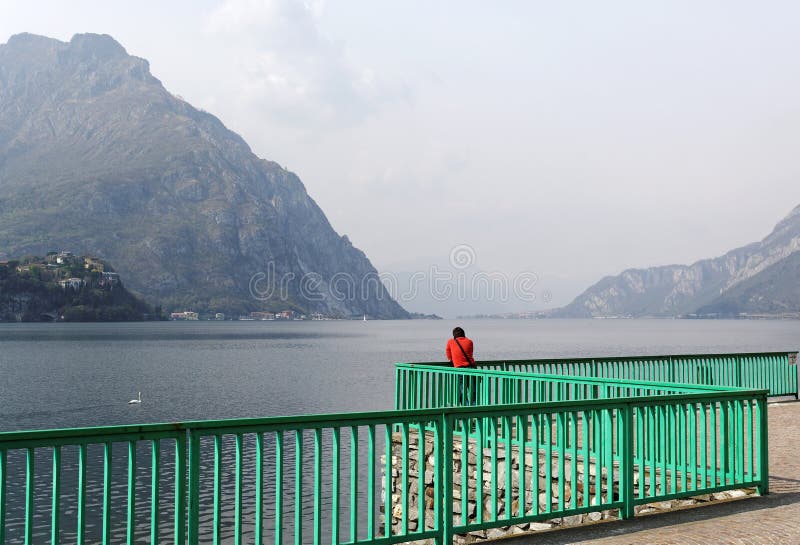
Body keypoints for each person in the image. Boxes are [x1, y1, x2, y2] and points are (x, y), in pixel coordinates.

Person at [446, 326, 477, 405]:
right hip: (471, 368)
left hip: (459, 368)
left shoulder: (450, 342)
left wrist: (453, 360)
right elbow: (470, 353)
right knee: (473, 390)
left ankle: (466, 407)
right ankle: (474, 407)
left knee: (461, 391)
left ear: (454, 335)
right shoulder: (470, 341)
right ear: (464, 334)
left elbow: (449, 355)